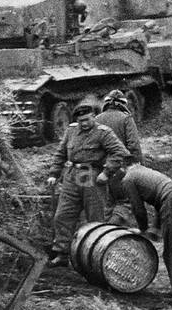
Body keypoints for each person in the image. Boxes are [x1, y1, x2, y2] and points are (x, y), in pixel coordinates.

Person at [46, 96, 130, 266]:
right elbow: (60, 153)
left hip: (91, 174)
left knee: (94, 217)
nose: (84, 123)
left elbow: (120, 152)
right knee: (63, 215)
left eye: (87, 119)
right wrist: (54, 173)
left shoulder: (103, 132)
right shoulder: (71, 131)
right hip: (72, 175)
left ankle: (94, 256)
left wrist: (107, 172)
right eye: (80, 120)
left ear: (93, 116)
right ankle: (62, 253)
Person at [106, 164, 172, 303]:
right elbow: (160, 196)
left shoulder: (128, 180)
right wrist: (154, 228)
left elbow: (138, 209)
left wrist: (142, 229)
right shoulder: (140, 170)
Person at [94, 89, 142, 163]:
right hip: (121, 163)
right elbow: (133, 144)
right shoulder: (126, 118)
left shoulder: (97, 119)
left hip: (103, 164)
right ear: (123, 104)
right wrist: (139, 163)